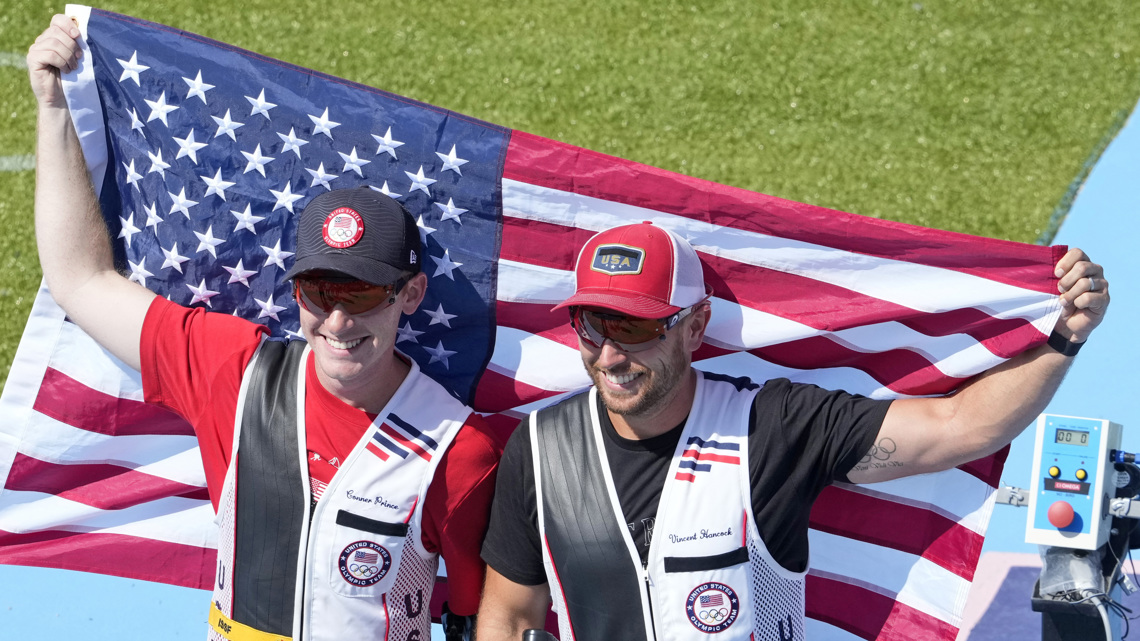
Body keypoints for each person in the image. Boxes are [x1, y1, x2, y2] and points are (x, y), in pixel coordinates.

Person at [28, 15, 501, 641]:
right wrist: (55, 108)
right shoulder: (233, 371)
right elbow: (80, 280)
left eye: (360, 293)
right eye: (318, 291)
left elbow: (480, 619)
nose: (337, 319)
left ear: (411, 294)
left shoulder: (460, 450)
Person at [476, 221, 1109, 640]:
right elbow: (509, 613)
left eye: (637, 330)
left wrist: (1065, 335)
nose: (610, 355)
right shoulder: (538, 450)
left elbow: (958, 427)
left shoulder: (773, 426)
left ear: (696, 328)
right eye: (592, 324)